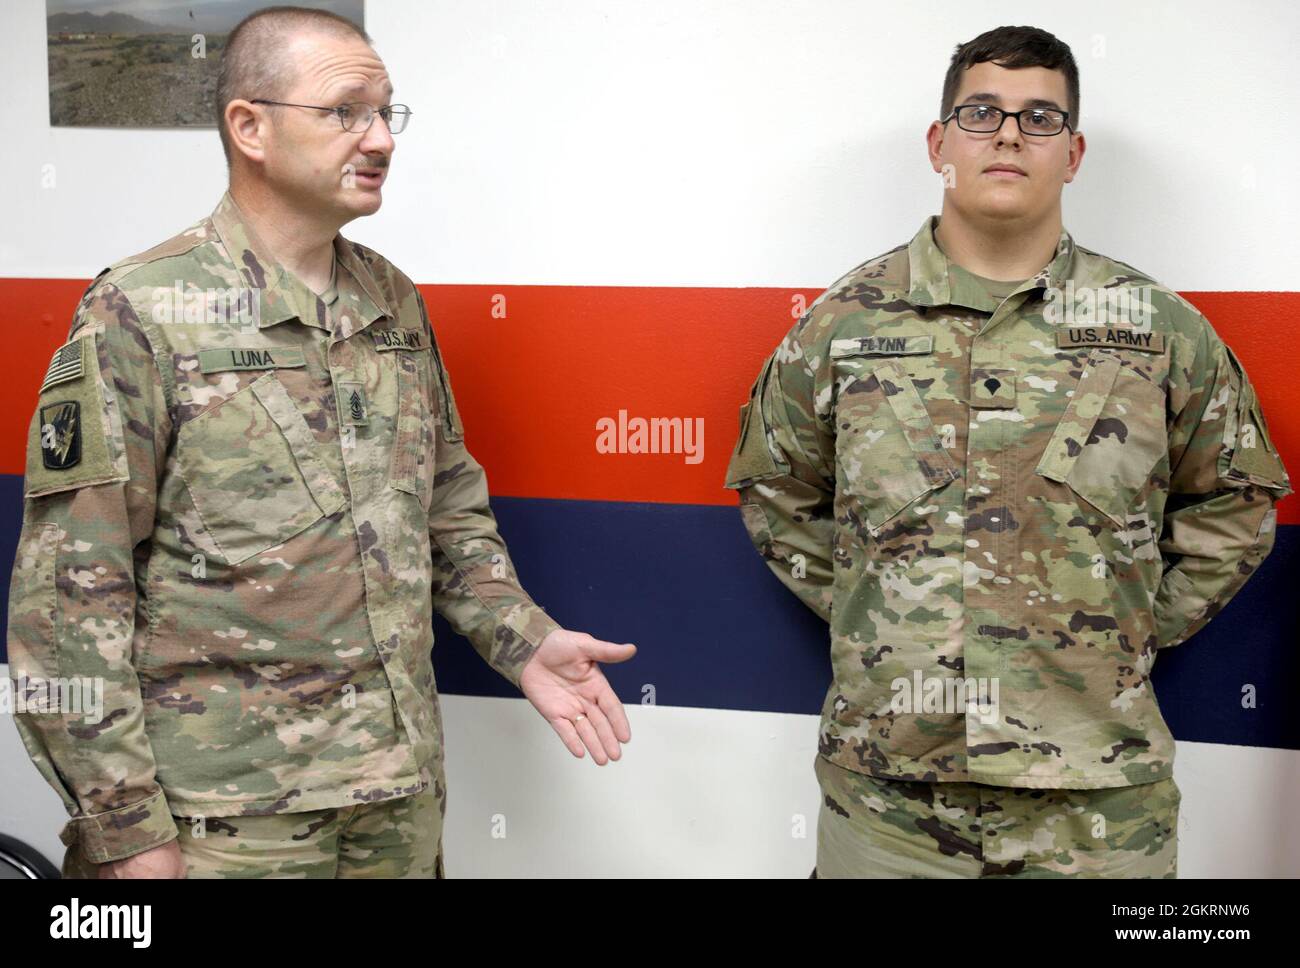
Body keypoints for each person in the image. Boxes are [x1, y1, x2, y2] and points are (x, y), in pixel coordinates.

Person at [7, 5, 634, 879]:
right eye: (345, 111)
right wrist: (124, 831)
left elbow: (447, 512)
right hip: (222, 821)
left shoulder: (393, 302)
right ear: (249, 126)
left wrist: (521, 639)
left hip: (395, 797)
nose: (379, 137)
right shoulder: (144, 309)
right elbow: (70, 596)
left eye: (387, 112)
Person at [724, 24, 1290, 878]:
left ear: (1075, 151)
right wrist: (883, 613)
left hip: (1100, 803)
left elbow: (1236, 501)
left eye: (1041, 118)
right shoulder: (844, 327)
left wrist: (1130, 627)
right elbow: (777, 488)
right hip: (890, 802)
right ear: (939, 143)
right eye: (982, 112)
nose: (1010, 136)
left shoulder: (1158, 331)